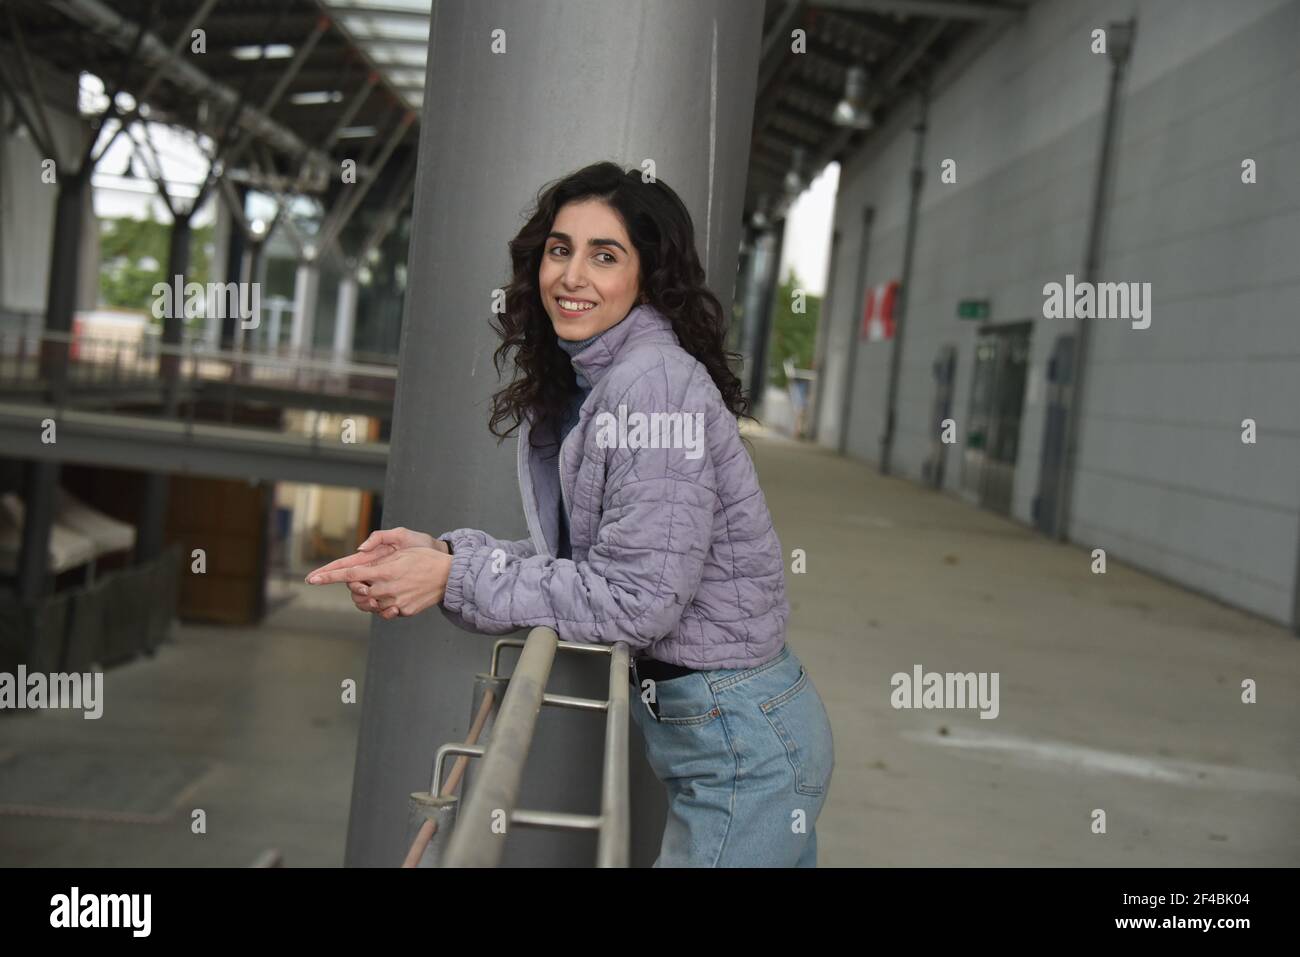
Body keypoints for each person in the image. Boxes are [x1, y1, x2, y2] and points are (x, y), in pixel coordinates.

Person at [306, 161, 834, 867]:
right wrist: (442, 553)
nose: (571, 275)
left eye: (604, 255)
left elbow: (636, 599)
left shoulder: (653, 388)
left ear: (647, 275)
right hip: (733, 732)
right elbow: (599, 562)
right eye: (560, 249)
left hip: (742, 743)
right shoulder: (613, 379)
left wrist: (456, 575)